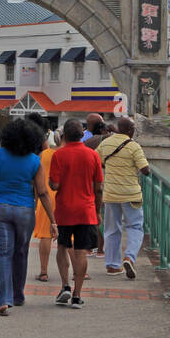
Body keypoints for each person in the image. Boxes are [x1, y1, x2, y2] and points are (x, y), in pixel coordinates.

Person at [0, 117, 56, 316]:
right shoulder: (35, 160)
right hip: (25, 210)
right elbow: (42, 192)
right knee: (21, 252)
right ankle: (18, 294)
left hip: (0, 208)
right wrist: (53, 220)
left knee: (2, 253)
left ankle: (3, 300)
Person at [50, 119, 104, 307]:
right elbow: (98, 187)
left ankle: (65, 286)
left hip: (65, 209)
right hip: (86, 210)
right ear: (82, 135)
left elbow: (54, 185)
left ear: (64, 135)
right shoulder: (92, 156)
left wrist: (54, 182)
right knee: (81, 251)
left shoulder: (59, 155)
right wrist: (97, 211)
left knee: (63, 247)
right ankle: (77, 295)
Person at [94, 117, 149, 278]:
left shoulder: (106, 143)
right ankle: (129, 257)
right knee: (135, 228)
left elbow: (97, 161)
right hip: (131, 194)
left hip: (111, 194)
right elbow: (145, 170)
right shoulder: (134, 146)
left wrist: (109, 165)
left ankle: (112, 266)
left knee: (112, 229)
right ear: (131, 130)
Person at [27, 118, 58, 282]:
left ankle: (44, 271)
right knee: (71, 238)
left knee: (46, 235)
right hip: (61, 196)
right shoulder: (60, 153)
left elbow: (35, 180)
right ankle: (79, 272)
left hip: (44, 197)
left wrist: (36, 199)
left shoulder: (39, 155)